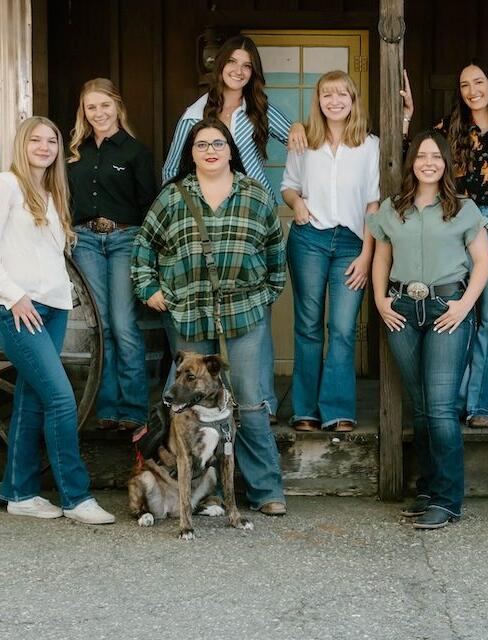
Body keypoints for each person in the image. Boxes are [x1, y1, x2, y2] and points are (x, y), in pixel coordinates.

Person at [131, 118, 288, 516]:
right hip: (189, 313)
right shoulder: (172, 198)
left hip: (244, 311)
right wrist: (149, 288)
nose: (211, 150)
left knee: (251, 402)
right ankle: (195, 489)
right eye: (202, 145)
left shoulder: (254, 195)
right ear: (192, 153)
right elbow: (144, 247)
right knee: (185, 403)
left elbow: (274, 250)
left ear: (231, 149)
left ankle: (266, 490)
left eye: (218, 143)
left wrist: (267, 293)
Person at [163, 35, 307, 425]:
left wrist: (295, 126)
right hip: (207, 226)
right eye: (233, 63)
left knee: (253, 321)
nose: (239, 71)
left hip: (251, 221)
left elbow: (299, 139)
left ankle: (260, 405)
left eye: (247, 65)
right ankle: (202, 409)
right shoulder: (195, 116)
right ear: (220, 65)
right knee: (204, 327)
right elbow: (169, 171)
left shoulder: (255, 108)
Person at [368, 130, 488, 529]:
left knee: (439, 408)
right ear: (412, 163)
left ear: (446, 163)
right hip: (402, 308)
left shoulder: (464, 209)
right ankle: (428, 489)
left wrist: (464, 306)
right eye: (421, 156)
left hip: (446, 309)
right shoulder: (394, 208)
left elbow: (483, 263)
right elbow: (382, 257)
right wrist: (381, 300)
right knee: (420, 407)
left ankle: (448, 498)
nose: (428, 162)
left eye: (435, 156)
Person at [401, 59, 488, 428]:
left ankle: (483, 406)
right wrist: (407, 118)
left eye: (479, 82)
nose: (472, 90)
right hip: (454, 227)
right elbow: (415, 158)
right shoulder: (448, 130)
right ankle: (451, 401)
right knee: (455, 314)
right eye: (464, 85)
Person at [0, 116, 115, 524]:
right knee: (62, 399)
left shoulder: (52, 193)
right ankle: (76, 497)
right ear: (22, 144)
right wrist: (13, 297)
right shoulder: (7, 185)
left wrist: (60, 298)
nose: (45, 147)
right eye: (37, 139)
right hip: (19, 310)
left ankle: (19, 493)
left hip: (54, 307)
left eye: (52, 141)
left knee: (30, 401)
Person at [282, 70, 379, 432]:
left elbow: (373, 204)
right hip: (309, 239)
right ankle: (305, 410)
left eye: (342, 94)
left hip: (352, 243)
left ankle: (338, 410)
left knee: (341, 327)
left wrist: (367, 255)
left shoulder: (370, 145)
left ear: (353, 100)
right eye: (327, 94)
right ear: (318, 101)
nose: (334, 101)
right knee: (308, 326)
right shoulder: (304, 141)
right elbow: (289, 186)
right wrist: (296, 204)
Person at [67, 78, 158, 432]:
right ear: (84, 111)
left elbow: (148, 206)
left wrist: (146, 252)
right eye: (91, 107)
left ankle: (134, 409)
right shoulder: (77, 151)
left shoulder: (136, 152)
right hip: (86, 241)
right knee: (100, 326)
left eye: (104, 105)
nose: (98, 113)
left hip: (124, 239)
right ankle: (106, 408)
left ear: (117, 106)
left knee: (123, 324)